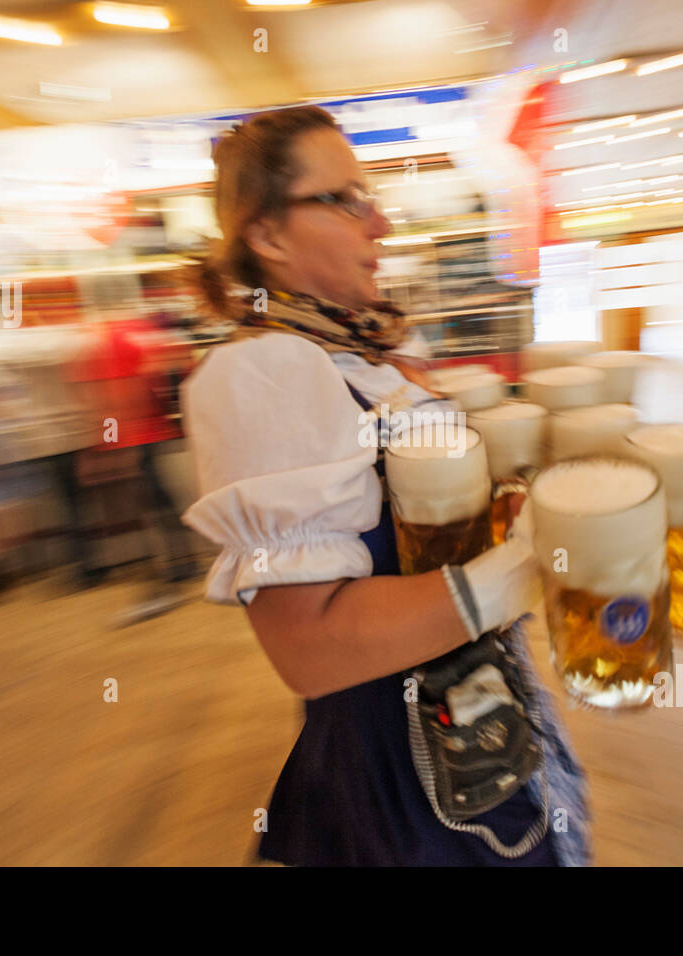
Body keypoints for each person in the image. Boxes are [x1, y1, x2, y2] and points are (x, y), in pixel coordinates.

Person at [181, 105, 589, 866]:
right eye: (347, 200)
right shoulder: (264, 374)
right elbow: (309, 647)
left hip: (482, 725)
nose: (382, 225)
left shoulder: (373, 354)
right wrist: (522, 567)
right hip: (400, 782)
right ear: (266, 234)